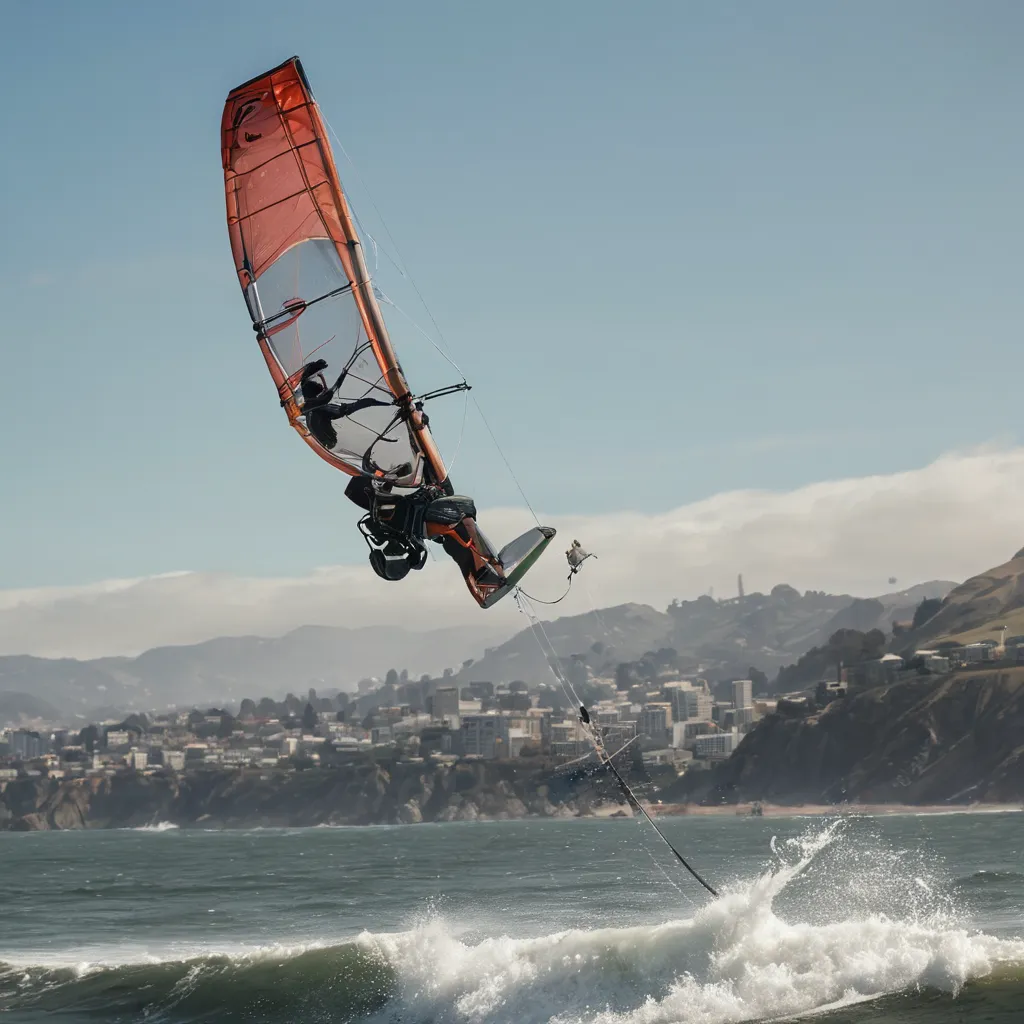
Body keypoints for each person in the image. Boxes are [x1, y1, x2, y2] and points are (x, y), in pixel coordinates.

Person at [294, 359, 390, 450]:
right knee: (344, 409)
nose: (322, 386)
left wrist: (316, 368)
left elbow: (327, 393)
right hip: (324, 436)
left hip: (323, 435)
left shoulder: (306, 405)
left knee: (340, 409)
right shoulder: (315, 407)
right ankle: (385, 403)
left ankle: (382, 403)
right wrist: (342, 375)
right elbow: (333, 393)